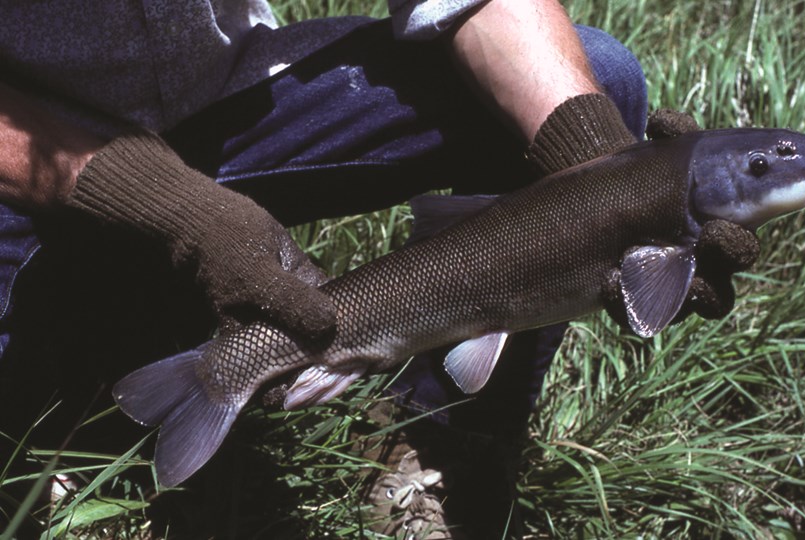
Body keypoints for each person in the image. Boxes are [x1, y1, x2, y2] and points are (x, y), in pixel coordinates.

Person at [0, 1, 755, 537]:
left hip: (223, 103)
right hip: (22, 166)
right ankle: (107, 361)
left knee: (604, 79)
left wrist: (602, 174)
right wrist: (169, 208)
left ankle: (426, 444)